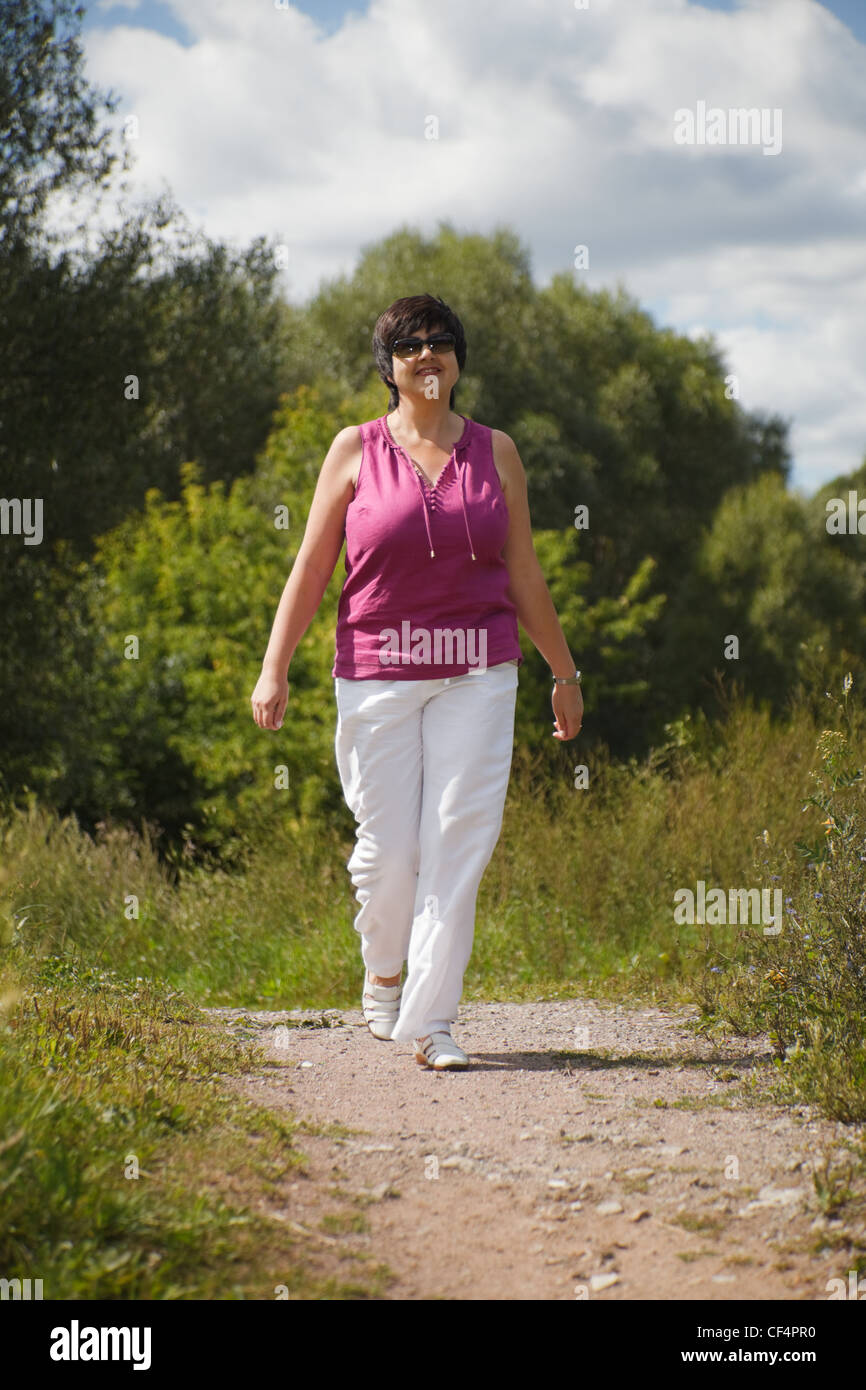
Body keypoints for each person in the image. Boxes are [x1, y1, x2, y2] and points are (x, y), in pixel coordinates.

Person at [250, 293, 583, 1070]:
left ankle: (434, 1022)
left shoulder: (497, 452)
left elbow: (523, 570)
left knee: (458, 839)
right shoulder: (354, 450)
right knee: (388, 854)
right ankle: (385, 970)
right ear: (389, 368)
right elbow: (311, 567)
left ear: (460, 361)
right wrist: (275, 666)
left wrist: (562, 671)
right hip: (376, 673)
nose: (426, 354)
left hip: (479, 670)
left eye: (440, 342)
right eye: (409, 345)